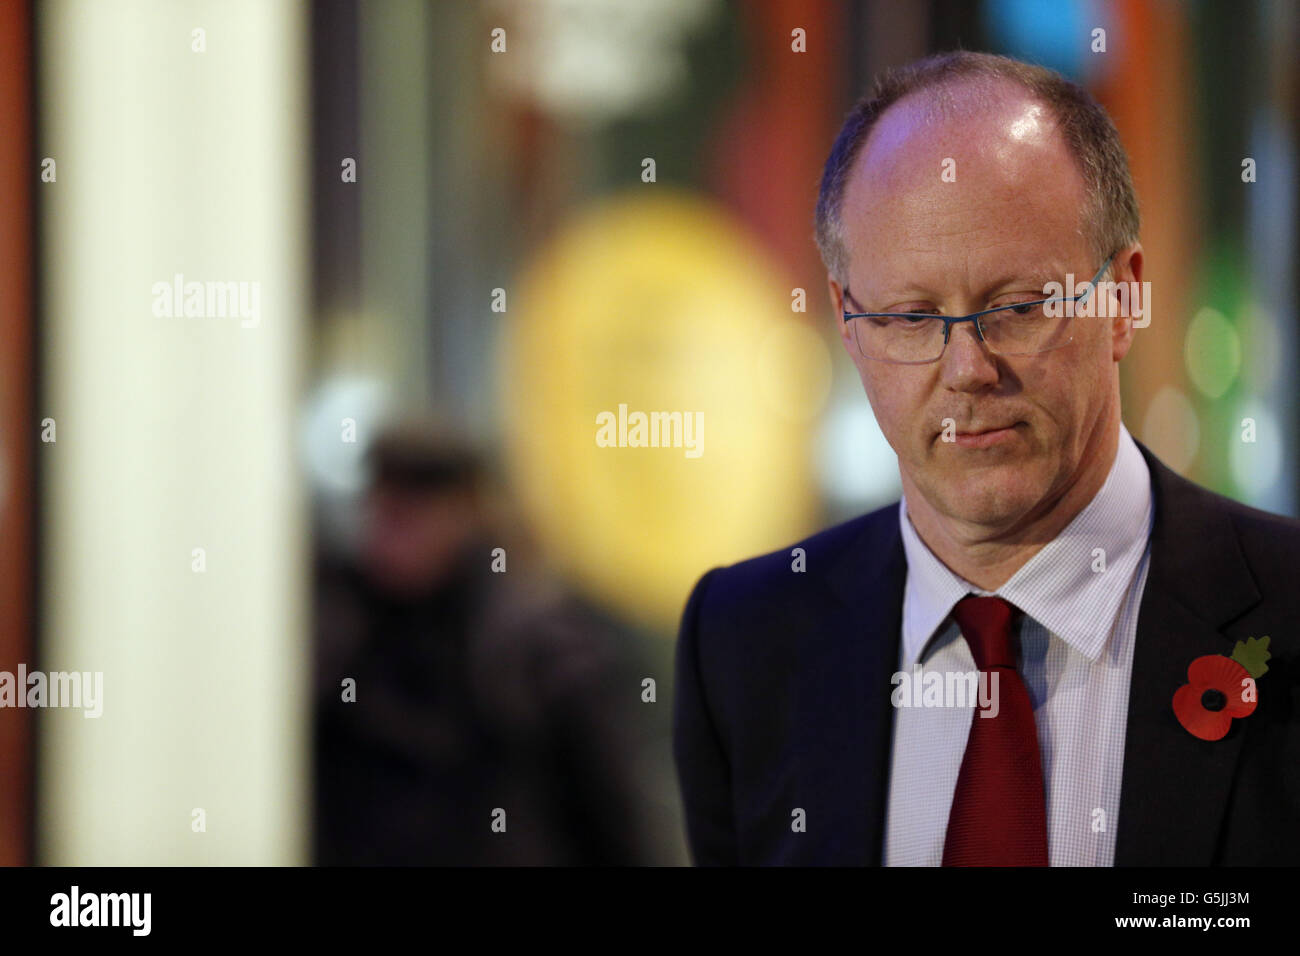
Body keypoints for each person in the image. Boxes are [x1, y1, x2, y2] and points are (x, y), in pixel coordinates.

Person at [672, 51, 1300, 866]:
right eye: (910, 317)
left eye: (1019, 306)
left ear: (1124, 298)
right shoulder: (744, 644)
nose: (968, 368)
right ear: (846, 321)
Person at [314, 419, 661, 864]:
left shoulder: (541, 644)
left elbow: (614, 814)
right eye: (386, 511)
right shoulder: (343, 631)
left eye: (415, 512)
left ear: (469, 511)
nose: (393, 534)